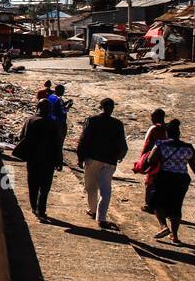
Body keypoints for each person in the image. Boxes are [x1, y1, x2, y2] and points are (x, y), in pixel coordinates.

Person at [151, 120, 195, 244]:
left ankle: (163, 226)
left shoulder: (161, 144)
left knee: (157, 203)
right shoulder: (188, 147)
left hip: (165, 176)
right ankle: (175, 236)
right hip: (181, 179)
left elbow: (151, 160)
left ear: (167, 133)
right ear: (179, 133)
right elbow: (194, 165)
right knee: (176, 206)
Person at [76, 98, 127, 229]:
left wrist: (80, 157)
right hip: (110, 161)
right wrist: (119, 157)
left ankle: (93, 211)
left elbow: (84, 139)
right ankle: (101, 218)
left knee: (90, 186)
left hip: (93, 158)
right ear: (112, 108)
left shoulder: (92, 120)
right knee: (105, 189)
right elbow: (123, 144)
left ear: (100, 106)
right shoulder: (118, 124)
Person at [14, 99, 64, 220]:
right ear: (50, 109)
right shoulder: (53, 123)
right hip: (48, 160)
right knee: (45, 187)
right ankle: (41, 210)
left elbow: (22, 138)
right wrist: (59, 160)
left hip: (33, 159)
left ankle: (34, 208)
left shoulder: (30, 120)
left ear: (38, 107)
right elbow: (57, 144)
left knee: (33, 185)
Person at [139, 109, 168, 212]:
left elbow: (148, 144)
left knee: (150, 182)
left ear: (155, 117)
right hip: (166, 160)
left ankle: (149, 204)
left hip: (154, 158)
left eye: (152, 117)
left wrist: (142, 158)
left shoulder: (155, 129)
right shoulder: (168, 128)